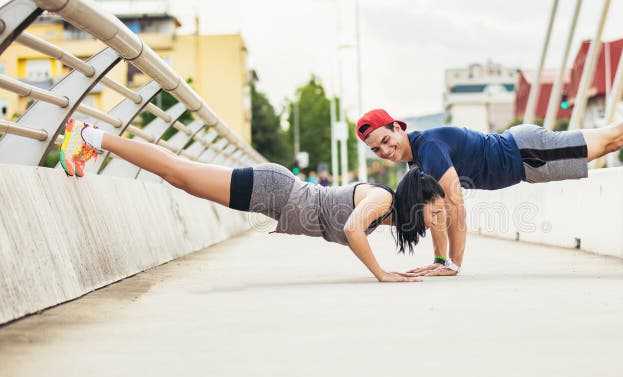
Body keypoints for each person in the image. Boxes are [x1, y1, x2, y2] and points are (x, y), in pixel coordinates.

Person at [58, 117, 446, 283]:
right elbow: (351, 229)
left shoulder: (391, 212)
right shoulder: (381, 199)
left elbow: (434, 221)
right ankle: (90, 137)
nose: (439, 217)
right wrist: (382, 274)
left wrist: (443, 261)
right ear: (417, 201)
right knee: (177, 171)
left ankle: (90, 144)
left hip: (275, 195)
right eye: (436, 209)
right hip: (275, 190)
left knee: (180, 177)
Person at [356, 104, 623, 277]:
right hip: (525, 161)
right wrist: (440, 262)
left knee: (611, 138)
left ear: (399, 128)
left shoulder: (429, 148)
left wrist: (454, 264)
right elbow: (436, 211)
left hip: (526, 153)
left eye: (386, 140)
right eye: (377, 150)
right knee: (610, 139)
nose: (385, 151)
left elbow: (455, 204)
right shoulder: (418, 160)